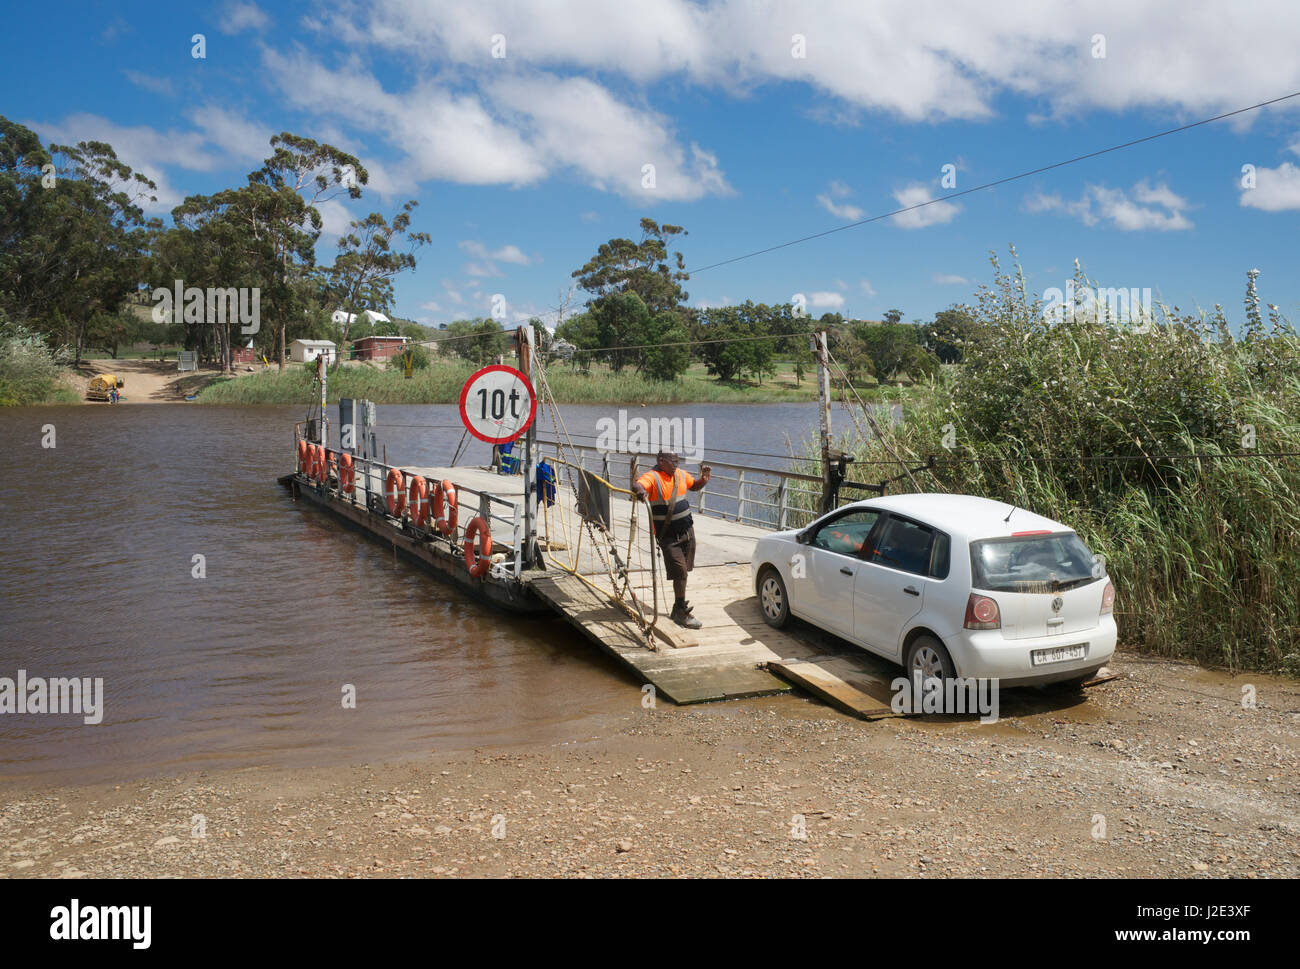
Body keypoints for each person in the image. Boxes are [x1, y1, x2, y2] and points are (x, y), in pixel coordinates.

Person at [632, 450, 711, 629]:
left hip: (687, 532)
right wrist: (640, 492)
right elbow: (638, 485)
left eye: (677, 461)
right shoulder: (653, 477)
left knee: (683, 572)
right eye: (673, 461)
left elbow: (694, 485)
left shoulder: (680, 475)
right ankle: (680, 611)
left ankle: (679, 607)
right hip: (667, 536)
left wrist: (703, 480)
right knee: (680, 570)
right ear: (661, 461)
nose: (676, 464)